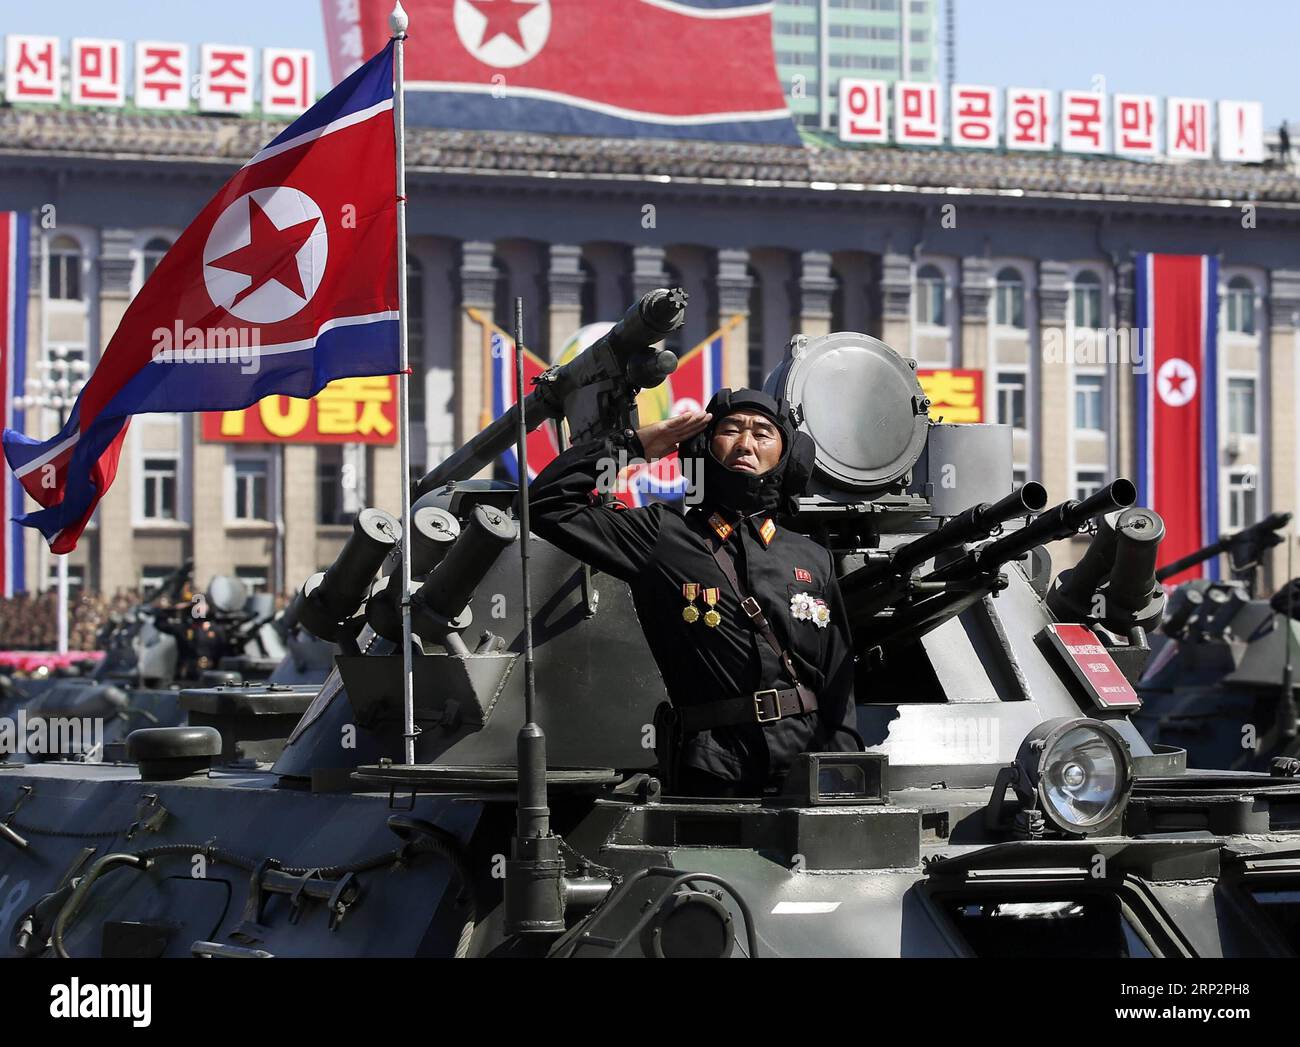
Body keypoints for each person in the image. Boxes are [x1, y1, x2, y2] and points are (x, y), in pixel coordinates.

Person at [528, 388, 860, 797]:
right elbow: (548, 504)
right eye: (731, 429)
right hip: (714, 769)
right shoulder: (662, 536)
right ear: (704, 447)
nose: (746, 443)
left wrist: (845, 768)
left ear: (788, 455)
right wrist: (634, 446)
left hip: (806, 767)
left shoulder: (812, 557)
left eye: (762, 433)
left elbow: (838, 680)